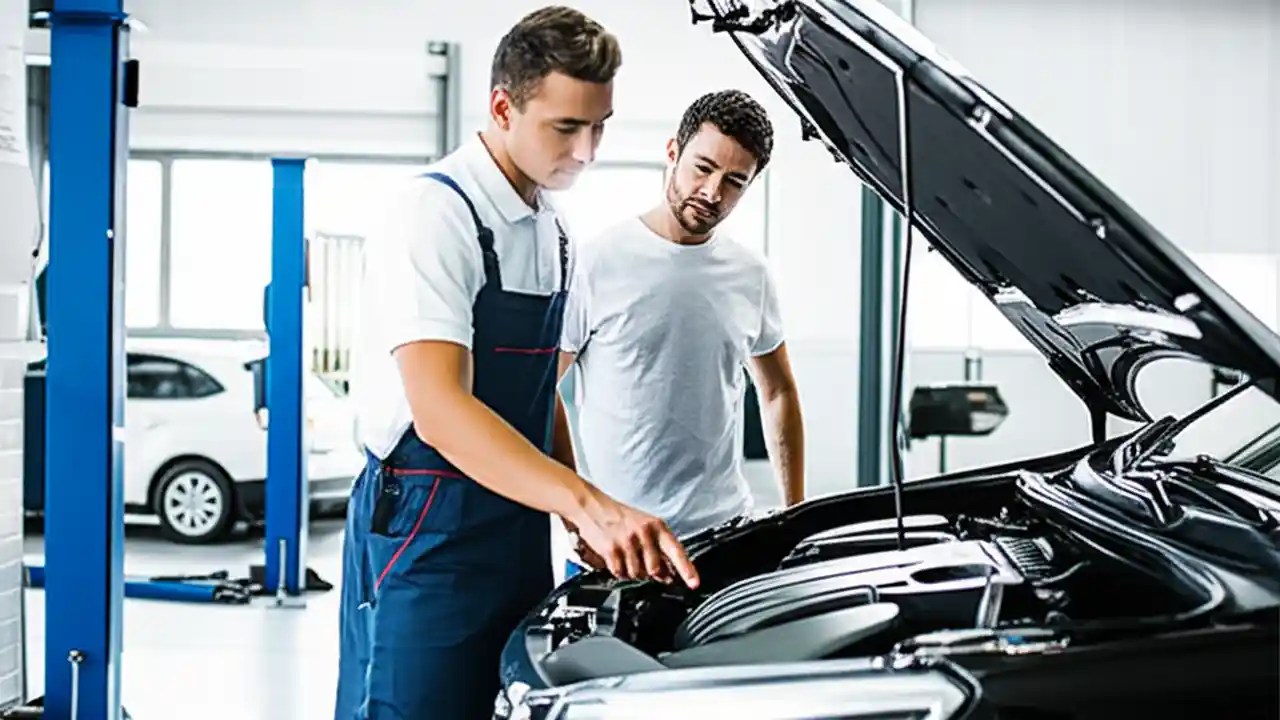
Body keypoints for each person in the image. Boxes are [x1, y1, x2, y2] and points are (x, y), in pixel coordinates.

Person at [334, 7, 699, 720]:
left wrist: (579, 512)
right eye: (566, 128)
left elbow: (537, 393)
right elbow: (441, 411)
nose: (588, 151)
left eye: (600, 125)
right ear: (504, 107)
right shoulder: (437, 214)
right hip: (424, 530)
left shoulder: (552, 229)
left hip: (515, 524)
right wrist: (588, 504)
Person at [559, 89, 806, 575]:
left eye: (735, 181)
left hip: (725, 538)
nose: (714, 192)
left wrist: (794, 514)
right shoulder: (595, 263)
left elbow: (777, 390)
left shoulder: (749, 274)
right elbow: (542, 391)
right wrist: (579, 518)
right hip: (615, 546)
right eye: (703, 168)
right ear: (672, 152)